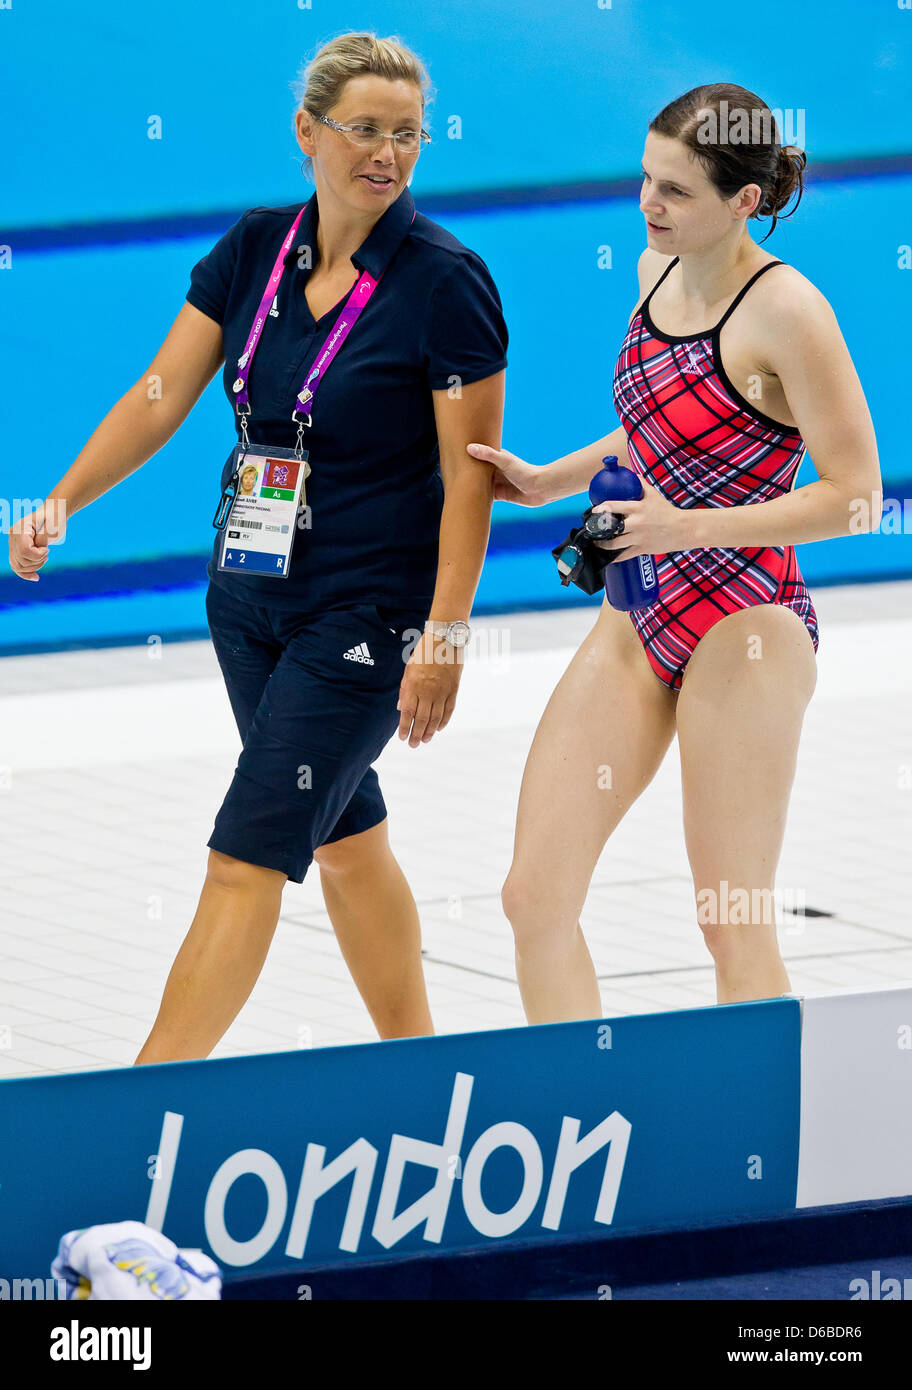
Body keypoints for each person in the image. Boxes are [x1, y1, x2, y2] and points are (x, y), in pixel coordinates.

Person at [8, 32, 508, 1061]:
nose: (389, 153)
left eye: (407, 134)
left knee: (245, 855)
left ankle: (139, 1104)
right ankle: (420, 1066)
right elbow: (161, 395)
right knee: (345, 837)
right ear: (307, 133)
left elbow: (471, 475)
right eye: (364, 130)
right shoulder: (254, 248)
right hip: (248, 593)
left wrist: (447, 632)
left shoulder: (447, 282)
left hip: (368, 613)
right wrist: (64, 501)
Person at [467, 83, 881, 1022]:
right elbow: (655, 428)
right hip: (640, 608)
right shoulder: (655, 269)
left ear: (745, 200)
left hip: (748, 626)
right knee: (533, 899)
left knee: (731, 921)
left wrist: (688, 525)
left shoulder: (788, 313)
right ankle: (582, 1131)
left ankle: (768, 1157)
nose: (649, 205)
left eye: (678, 190)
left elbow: (855, 496)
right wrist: (548, 481)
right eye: (645, 178)